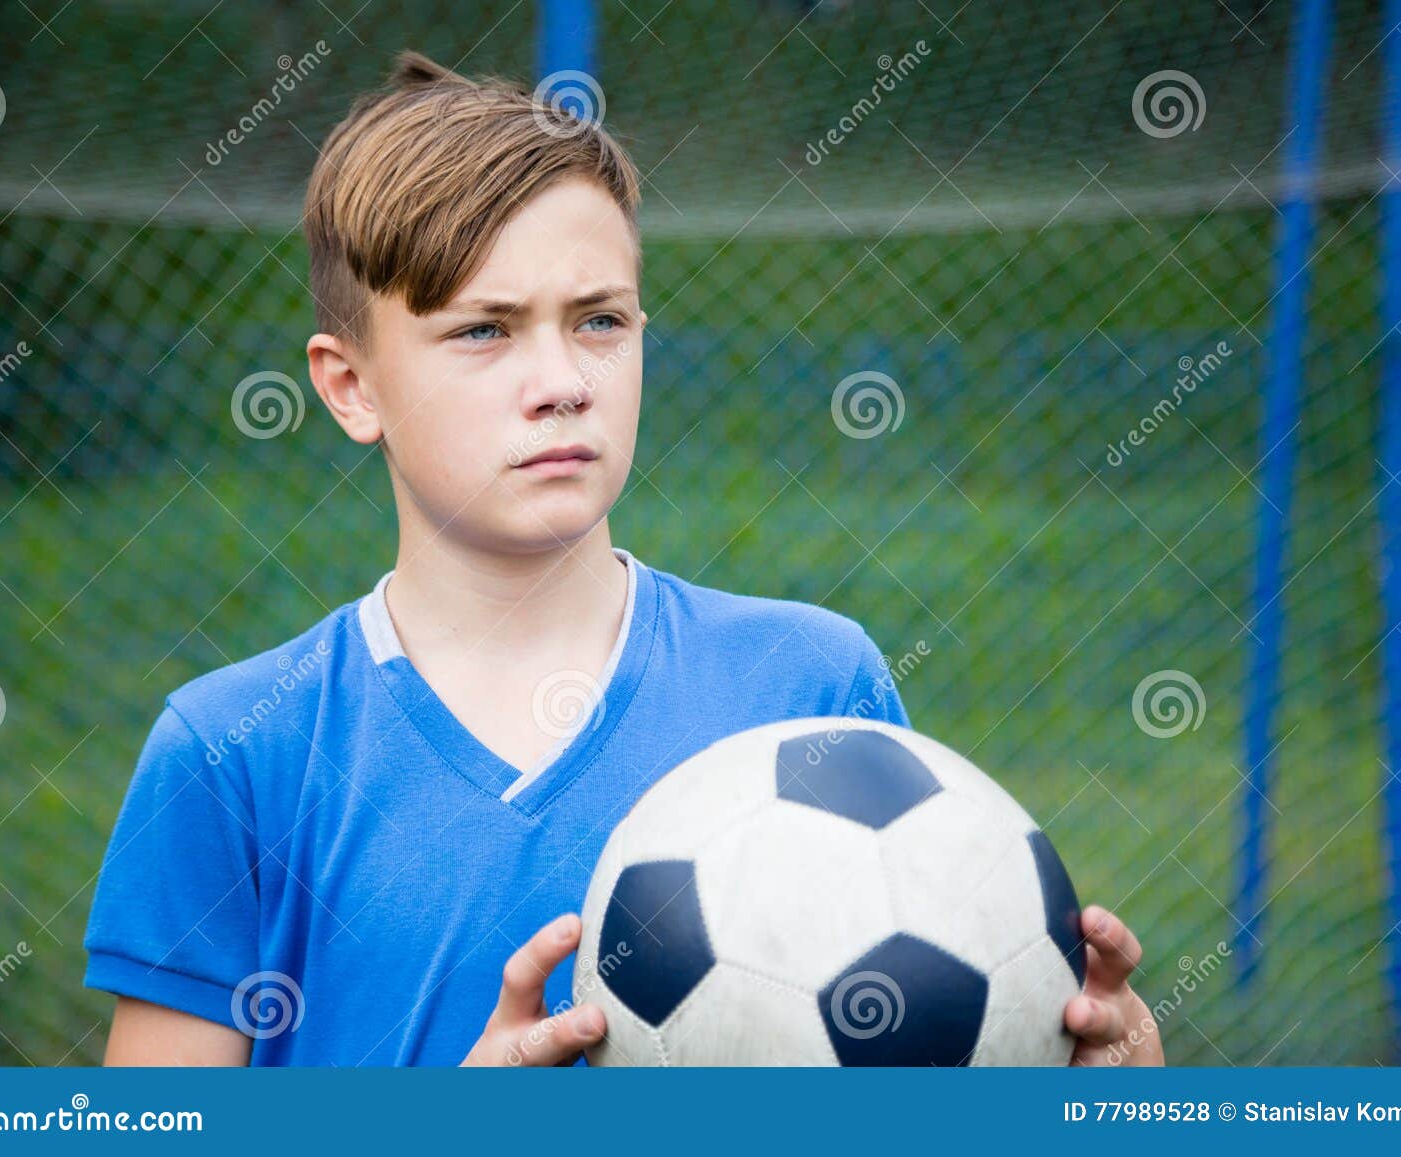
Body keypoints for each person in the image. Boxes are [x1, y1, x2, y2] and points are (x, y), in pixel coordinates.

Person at [83, 51, 1162, 1067]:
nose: (562, 379)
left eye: (598, 320)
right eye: (483, 331)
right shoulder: (235, 753)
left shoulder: (808, 686)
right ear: (349, 385)